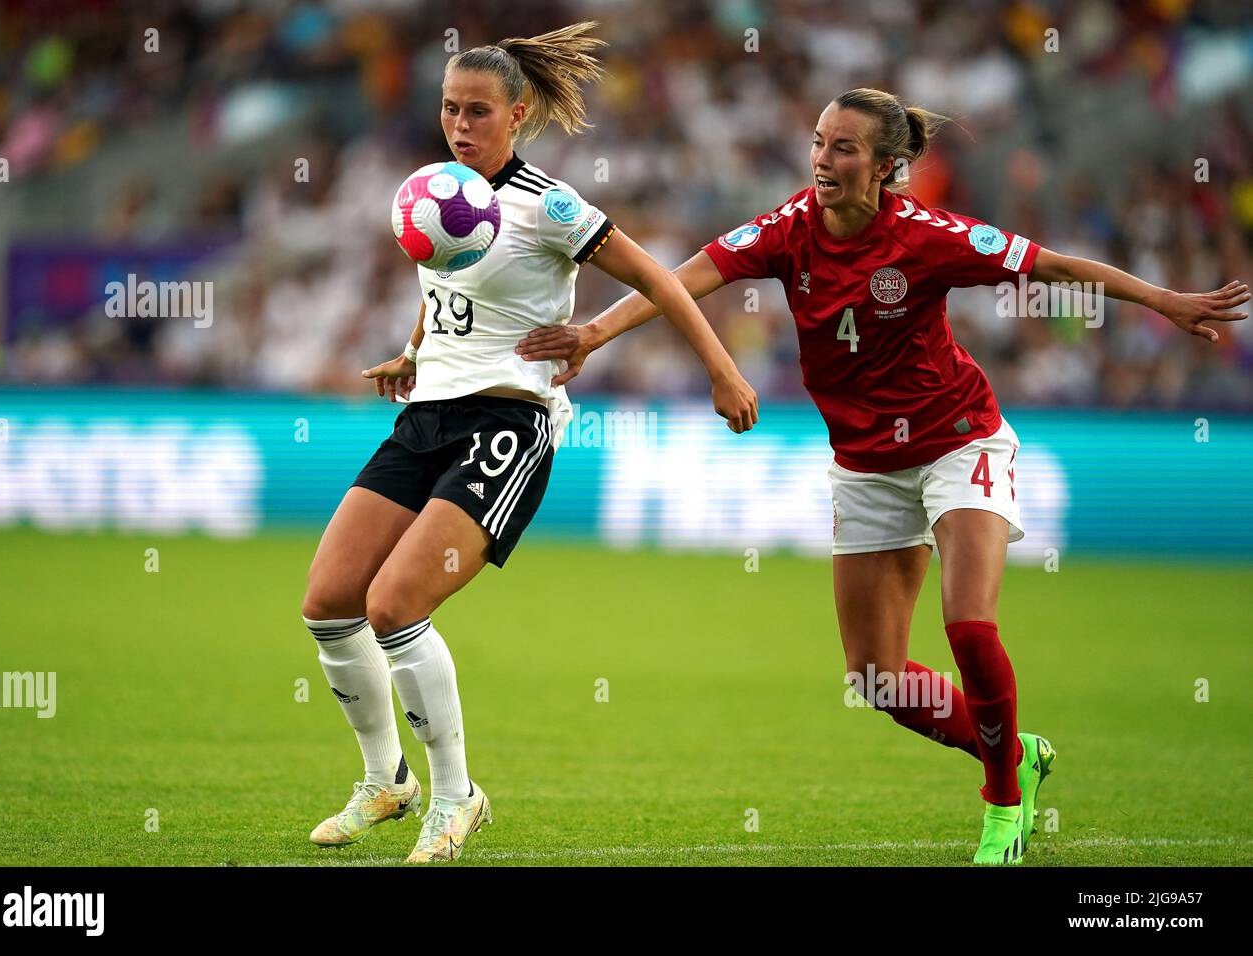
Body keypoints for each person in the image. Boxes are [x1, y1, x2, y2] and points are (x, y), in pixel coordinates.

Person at [516, 87, 1248, 864]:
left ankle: (1003, 803)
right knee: (882, 682)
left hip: (958, 441)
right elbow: (687, 276)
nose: (823, 161)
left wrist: (1165, 301)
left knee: (968, 624)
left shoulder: (931, 238)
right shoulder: (787, 229)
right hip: (866, 466)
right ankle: (1018, 756)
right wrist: (594, 331)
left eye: (844, 149)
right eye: (820, 143)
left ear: (887, 166)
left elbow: (1054, 264)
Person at [299, 22, 758, 864]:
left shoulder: (550, 205)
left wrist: (721, 372)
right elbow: (446, 282)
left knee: (396, 605)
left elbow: (658, 276)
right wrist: (413, 352)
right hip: (426, 417)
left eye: (478, 111)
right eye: (448, 109)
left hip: (506, 427)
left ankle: (455, 799)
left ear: (517, 114)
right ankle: (384, 782)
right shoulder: (435, 190)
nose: (461, 126)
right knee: (328, 601)